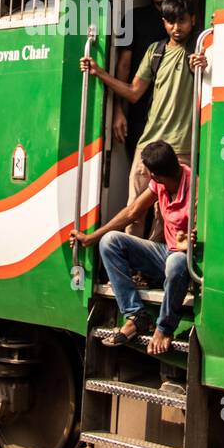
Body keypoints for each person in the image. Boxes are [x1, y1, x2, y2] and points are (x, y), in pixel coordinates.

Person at [81, 0, 203, 242]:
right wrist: (99, 72)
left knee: (165, 217)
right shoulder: (155, 51)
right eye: (170, 22)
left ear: (193, 20)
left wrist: (204, 68)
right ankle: (131, 257)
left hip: (181, 147)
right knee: (135, 209)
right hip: (148, 144)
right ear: (163, 22)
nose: (176, 28)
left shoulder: (200, 52)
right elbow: (134, 92)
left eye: (182, 21)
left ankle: (154, 263)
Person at [71, 141, 195, 359]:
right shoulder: (161, 184)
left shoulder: (195, 187)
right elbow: (133, 211)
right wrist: (92, 238)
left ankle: (164, 329)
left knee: (176, 262)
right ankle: (136, 316)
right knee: (110, 241)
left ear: (156, 175)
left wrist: (193, 239)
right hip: (166, 253)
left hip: (185, 261)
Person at [112, 0, 179, 210]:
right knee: (143, 179)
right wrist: (118, 111)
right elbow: (123, 66)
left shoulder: (184, 19)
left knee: (171, 182)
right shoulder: (132, 17)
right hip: (139, 111)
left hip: (174, 115)